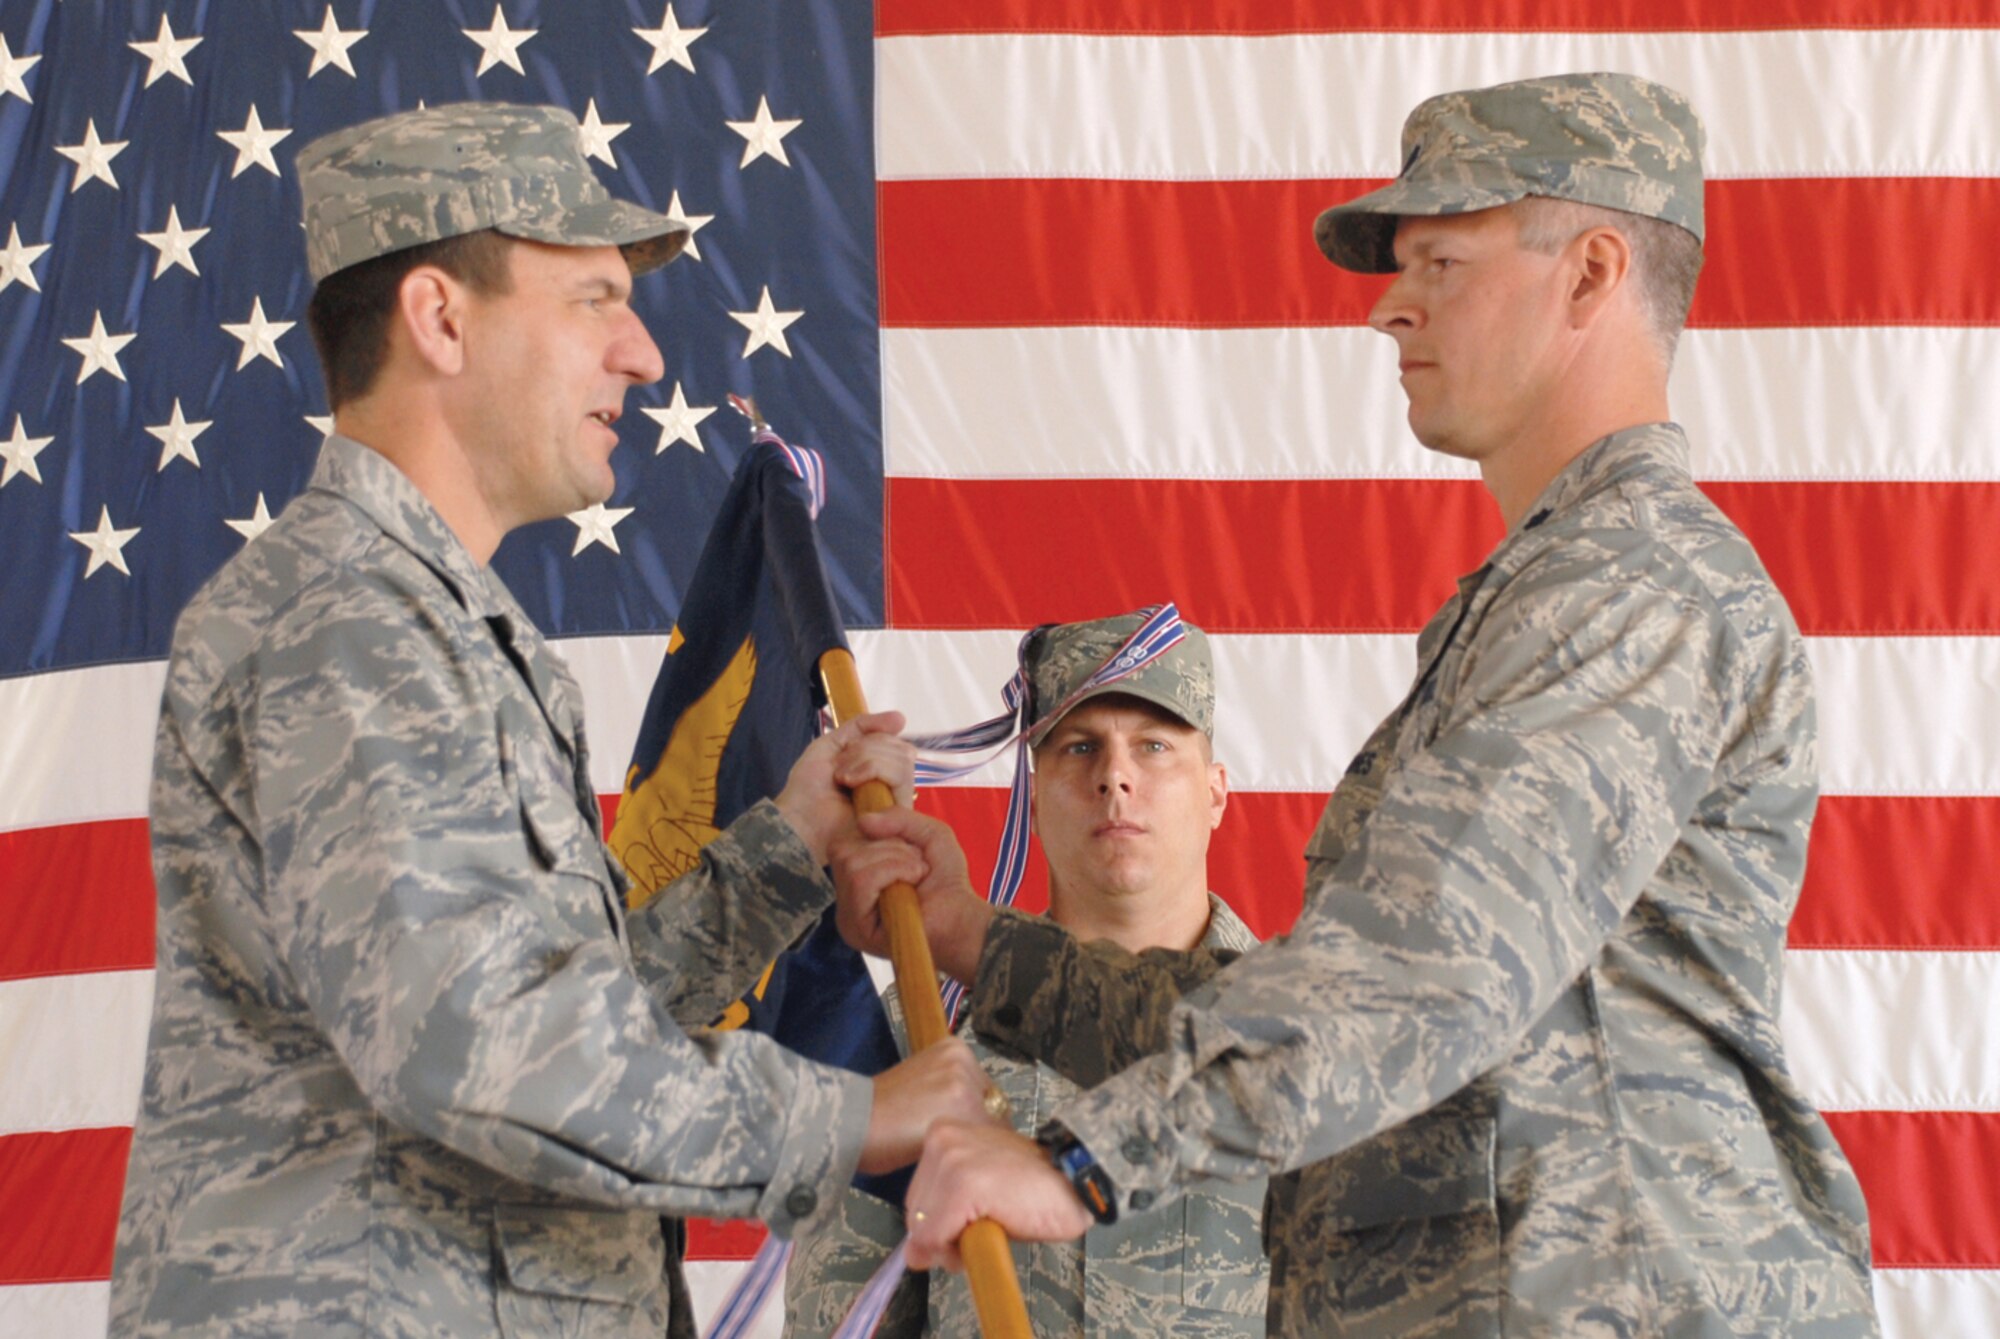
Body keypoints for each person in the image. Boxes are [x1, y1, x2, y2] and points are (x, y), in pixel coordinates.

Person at [835, 73, 1882, 1336]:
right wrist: (978, 947)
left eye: (1440, 258)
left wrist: (1081, 1160)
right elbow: (1351, 1021)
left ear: (1592, 275)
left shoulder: (1629, 586)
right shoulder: (1544, 595)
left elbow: (1429, 966)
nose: (1391, 306)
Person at [111, 102, 989, 1339]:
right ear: (440, 318)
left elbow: (551, 1003)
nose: (641, 355)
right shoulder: (348, 623)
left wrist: (785, 847)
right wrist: (864, 1116)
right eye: (591, 299)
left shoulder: (434, 624)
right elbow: (484, 1050)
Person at [784, 612, 1270, 1338]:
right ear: (1033, 800)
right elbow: (843, 1319)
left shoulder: (1316, 1040)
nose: (1115, 775)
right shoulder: (923, 1023)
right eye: (1080, 747)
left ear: (1217, 792)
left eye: (1155, 745)